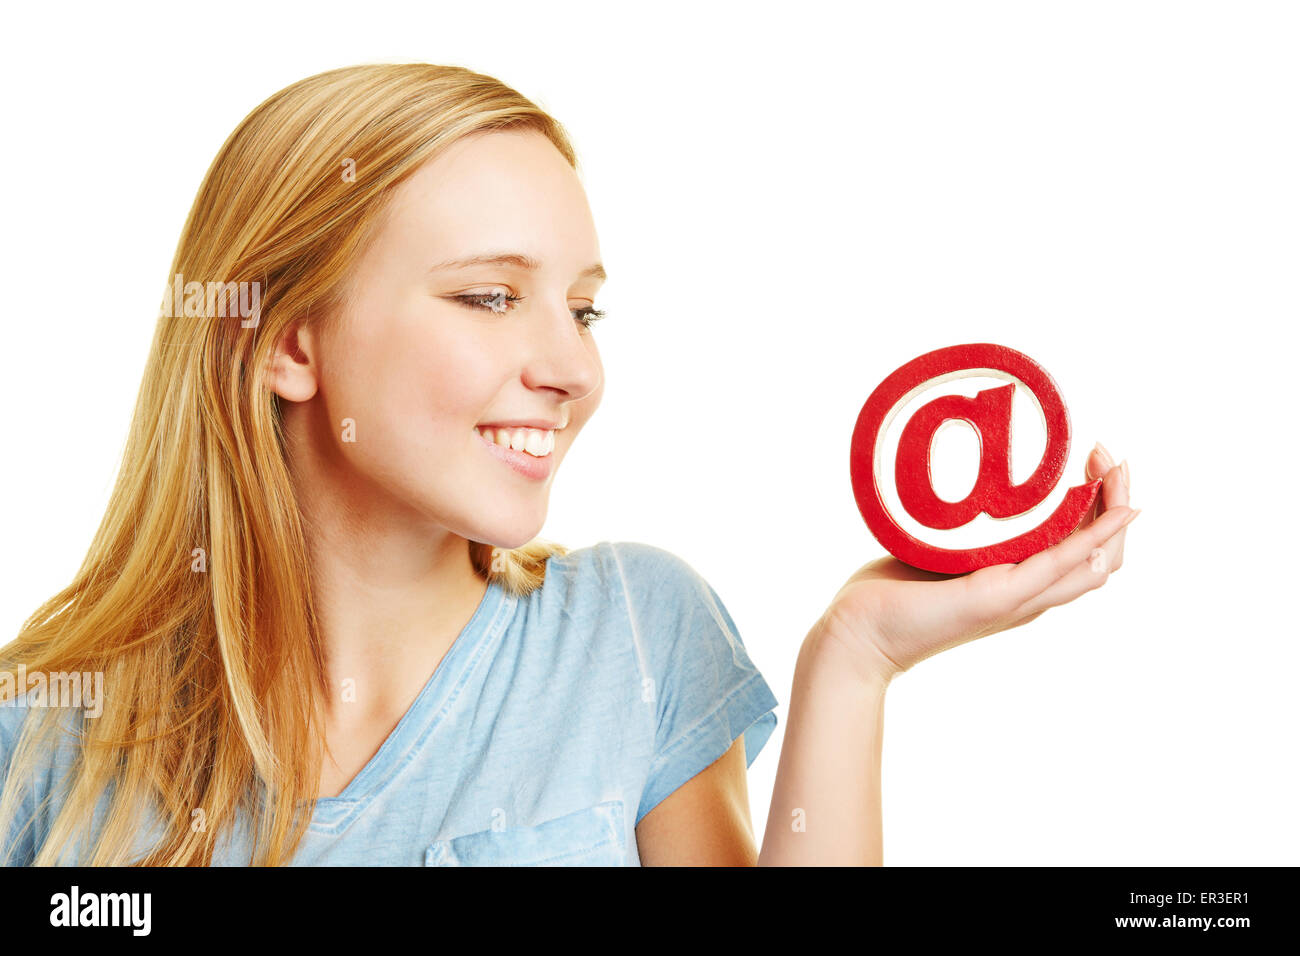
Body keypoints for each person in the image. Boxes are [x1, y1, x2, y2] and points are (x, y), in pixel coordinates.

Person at [0, 63, 1138, 866]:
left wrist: (855, 660)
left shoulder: (635, 632)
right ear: (290, 341)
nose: (569, 368)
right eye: (489, 296)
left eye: (585, 310)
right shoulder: (41, 729)